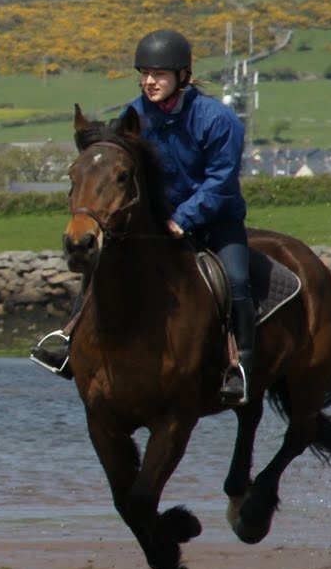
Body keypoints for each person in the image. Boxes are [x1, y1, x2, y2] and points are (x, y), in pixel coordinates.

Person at [31, 28, 256, 403]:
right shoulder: (133, 116)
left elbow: (221, 182)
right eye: (145, 74)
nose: (149, 81)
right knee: (100, 266)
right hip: (157, 225)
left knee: (236, 280)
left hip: (215, 221)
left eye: (159, 74)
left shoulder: (219, 119)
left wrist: (183, 218)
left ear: (183, 76)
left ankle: (240, 367)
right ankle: (69, 340)